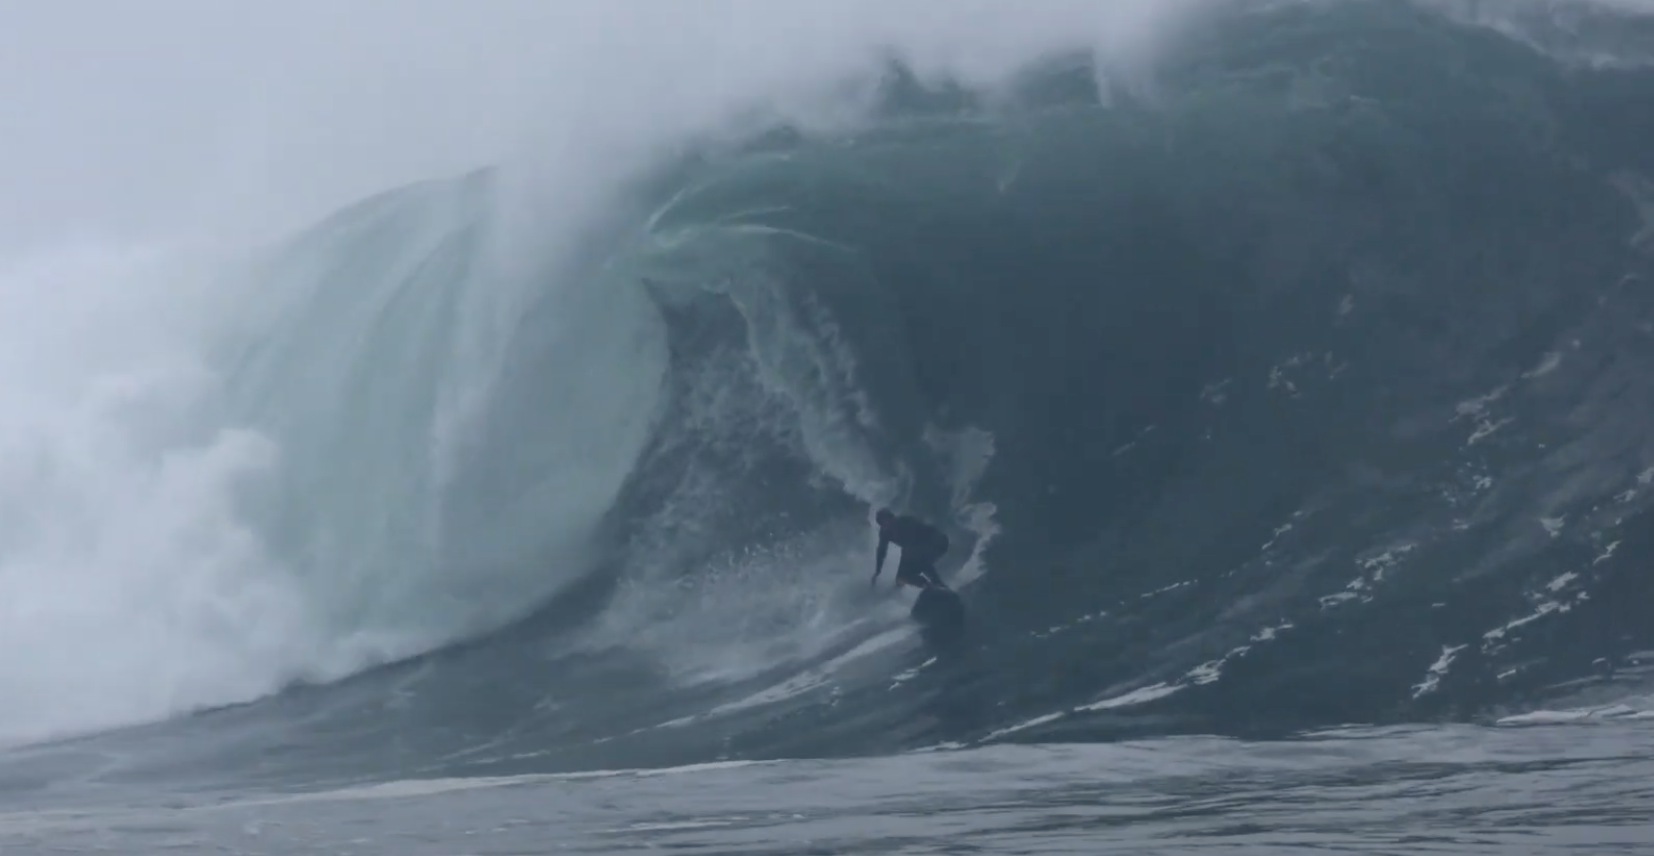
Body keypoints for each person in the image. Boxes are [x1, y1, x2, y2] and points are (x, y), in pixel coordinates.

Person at [871, 508, 950, 591]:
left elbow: (911, 549)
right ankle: (933, 587)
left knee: (917, 563)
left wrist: (903, 571)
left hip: (938, 542)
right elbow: (881, 551)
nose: (887, 526)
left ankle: (937, 587)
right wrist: (877, 571)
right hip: (921, 548)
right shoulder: (884, 533)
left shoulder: (906, 522)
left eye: (888, 521)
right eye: (883, 524)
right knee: (902, 577)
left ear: (892, 518)